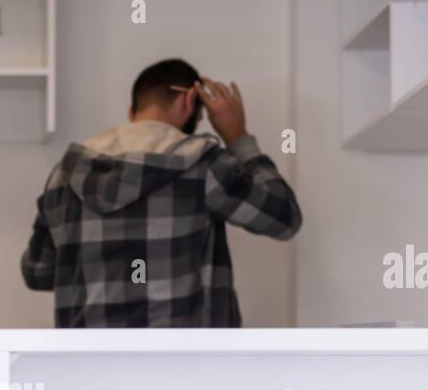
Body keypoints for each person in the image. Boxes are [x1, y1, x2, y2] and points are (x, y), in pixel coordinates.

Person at [20, 57, 303, 328]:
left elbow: (38, 273)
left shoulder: (64, 175)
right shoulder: (204, 165)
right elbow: (284, 218)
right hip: (187, 369)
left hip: (90, 370)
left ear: (133, 112)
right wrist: (238, 137)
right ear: (188, 101)